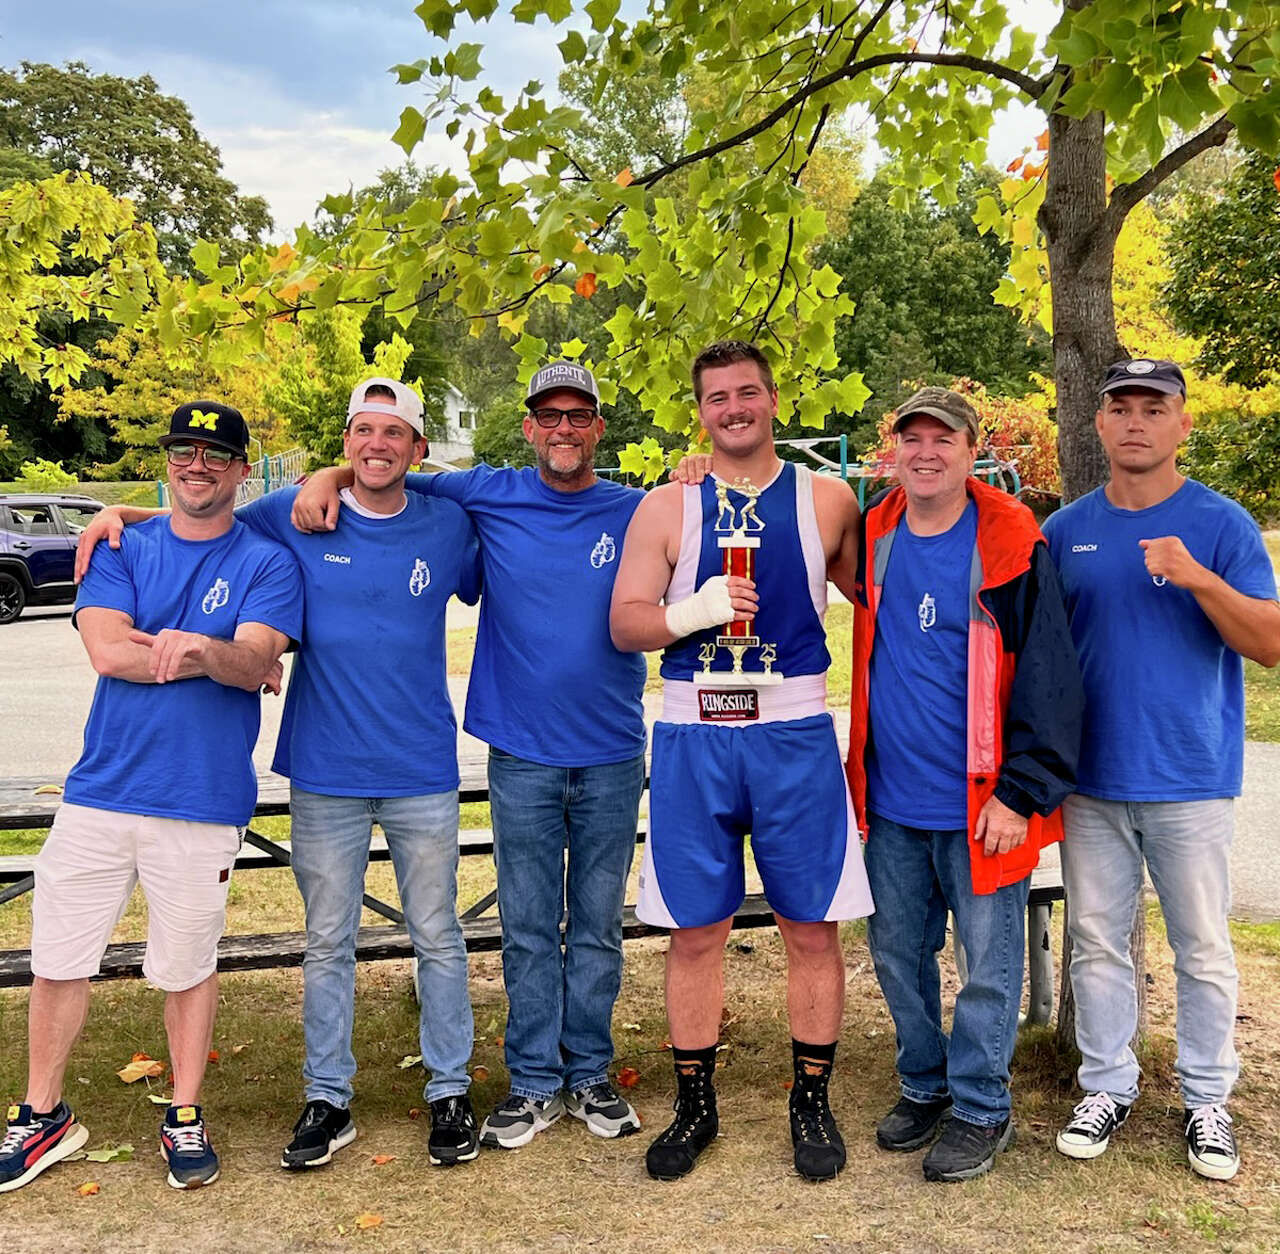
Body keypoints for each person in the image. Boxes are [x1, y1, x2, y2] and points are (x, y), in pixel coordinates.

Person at [71, 379, 485, 1170]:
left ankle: (449, 1090)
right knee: (327, 941)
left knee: (437, 935)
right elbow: (201, 512)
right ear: (346, 440)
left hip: (422, 766)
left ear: (418, 447)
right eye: (362, 432)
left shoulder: (447, 523)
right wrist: (115, 513)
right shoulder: (293, 514)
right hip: (323, 767)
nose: (377, 446)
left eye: (393, 433)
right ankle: (328, 1097)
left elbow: (497, 543)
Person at [292, 360, 648, 1149]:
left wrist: (693, 472)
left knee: (596, 925)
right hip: (520, 752)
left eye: (577, 416)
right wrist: (323, 474)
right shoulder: (487, 493)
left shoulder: (636, 510)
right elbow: (383, 471)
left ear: (597, 427)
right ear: (528, 428)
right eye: (549, 416)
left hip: (613, 751)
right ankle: (533, 1082)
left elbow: (713, 517)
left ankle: (589, 1073)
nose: (563, 429)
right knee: (527, 925)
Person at [0, 402, 301, 1194]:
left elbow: (257, 663)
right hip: (102, 790)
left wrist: (200, 648)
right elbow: (108, 652)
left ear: (242, 469)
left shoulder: (269, 562)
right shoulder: (121, 544)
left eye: (214, 453)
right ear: (166, 461)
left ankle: (184, 1112)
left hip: (203, 797)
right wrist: (214, 653)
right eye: (182, 451)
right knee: (58, 958)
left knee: (187, 966)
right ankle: (43, 1114)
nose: (196, 465)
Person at [609, 339, 873, 1182]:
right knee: (695, 932)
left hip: (793, 732)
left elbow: (878, 587)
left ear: (773, 398)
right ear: (700, 412)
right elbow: (626, 624)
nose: (734, 408)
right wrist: (692, 612)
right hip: (694, 734)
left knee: (812, 927)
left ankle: (811, 1100)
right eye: (717, 397)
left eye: (747, 392)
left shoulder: (828, 498)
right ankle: (695, 1103)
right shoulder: (666, 505)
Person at [1042, 358, 1280, 1180]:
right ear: (1099, 423)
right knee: (1096, 943)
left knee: (1203, 948)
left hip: (1189, 776)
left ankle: (1208, 1101)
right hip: (1089, 779)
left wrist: (1195, 576)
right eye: (1121, 407)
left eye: (1154, 407)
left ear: (1183, 423)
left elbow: (1269, 645)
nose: (1136, 421)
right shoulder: (1064, 530)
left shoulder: (1221, 524)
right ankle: (1106, 1086)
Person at [845, 386, 1082, 1183]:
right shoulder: (875, 530)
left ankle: (982, 1107)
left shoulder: (1012, 541)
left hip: (986, 803)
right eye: (911, 438)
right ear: (894, 450)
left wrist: (1021, 792)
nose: (925, 452)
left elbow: (1049, 675)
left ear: (971, 450)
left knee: (989, 964)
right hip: (891, 803)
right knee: (895, 953)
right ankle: (925, 1083)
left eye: (942, 438)